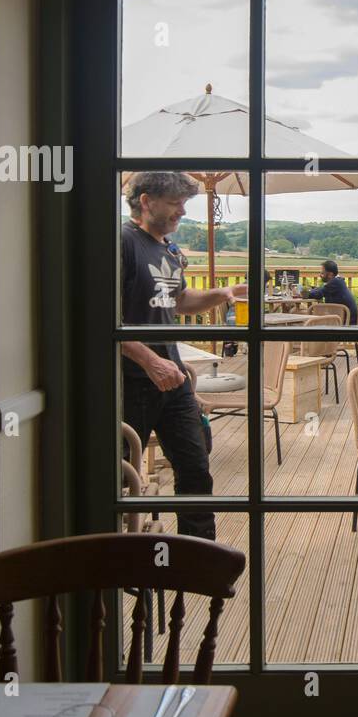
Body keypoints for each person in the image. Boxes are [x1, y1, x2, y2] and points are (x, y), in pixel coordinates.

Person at [120, 171, 247, 540]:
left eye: (184, 204)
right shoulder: (123, 243)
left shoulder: (169, 250)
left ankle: (198, 553)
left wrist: (224, 293)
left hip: (172, 380)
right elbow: (104, 317)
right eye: (175, 203)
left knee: (195, 470)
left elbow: (180, 301)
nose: (182, 212)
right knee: (122, 475)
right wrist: (149, 360)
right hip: (132, 383)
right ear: (146, 201)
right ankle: (115, 555)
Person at [306, 259, 358, 326]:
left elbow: (318, 294)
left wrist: (303, 293)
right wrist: (312, 290)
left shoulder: (335, 283)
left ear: (330, 274)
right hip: (343, 317)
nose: (320, 275)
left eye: (322, 273)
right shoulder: (337, 281)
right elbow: (322, 290)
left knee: (310, 316)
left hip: (345, 321)